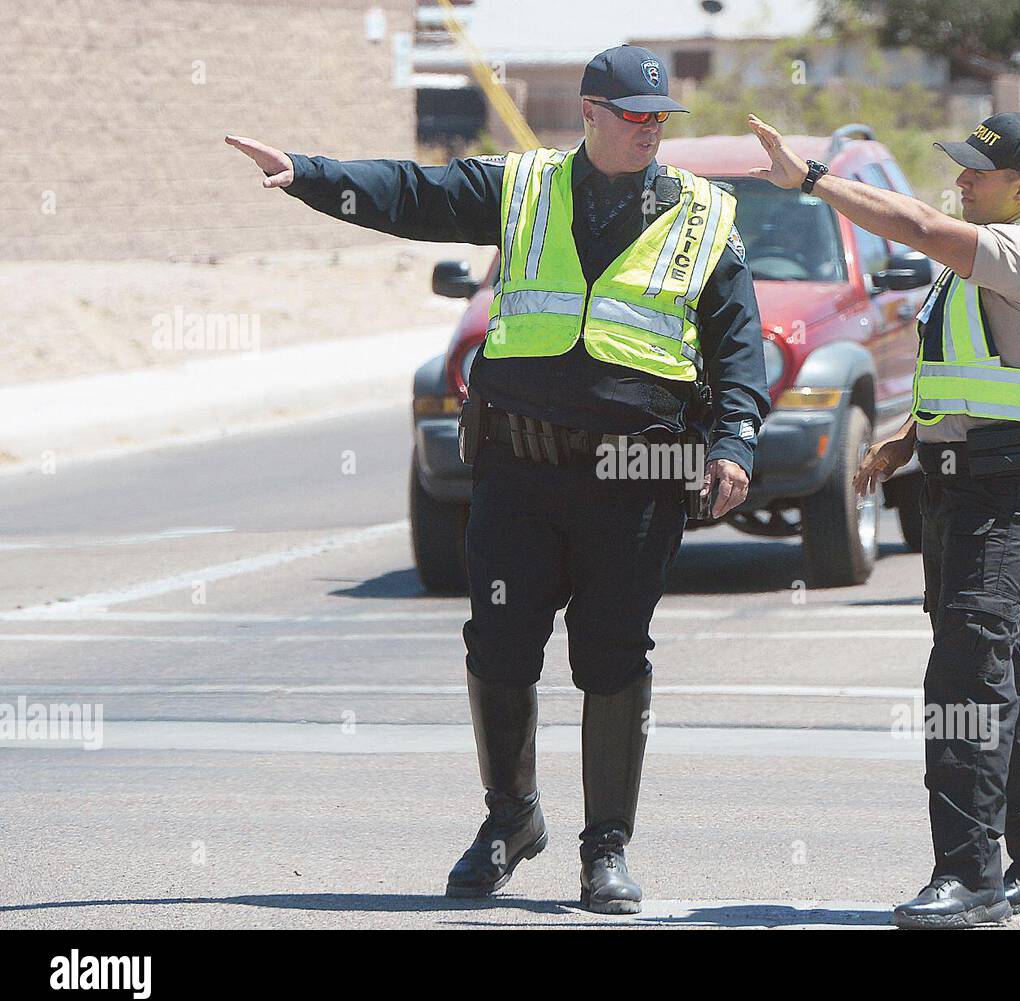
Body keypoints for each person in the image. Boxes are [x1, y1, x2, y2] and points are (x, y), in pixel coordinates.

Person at [227, 45, 769, 914]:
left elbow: (740, 345)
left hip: (635, 480)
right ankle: (511, 819)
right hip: (519, 471)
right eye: (633, 116)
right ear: (588, 113)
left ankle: (607, 850)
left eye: (659, 120)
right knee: (502, 648)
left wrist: (735, 441)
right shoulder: (522, 189)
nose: (648, 132)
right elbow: (413, 193)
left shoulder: (704, 216)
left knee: (612, 658)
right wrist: (309, 175)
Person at [748, 111, 1020, 928]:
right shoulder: (975, 259)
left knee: (963, 679)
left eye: (978, 171)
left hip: (1010, 490)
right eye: (962, 166)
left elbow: (920, 225)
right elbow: (969, 379)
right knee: (992, 667)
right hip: (960, 485)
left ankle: (969, 874)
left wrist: (816, 181)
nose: (961, 180)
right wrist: (904, 441)